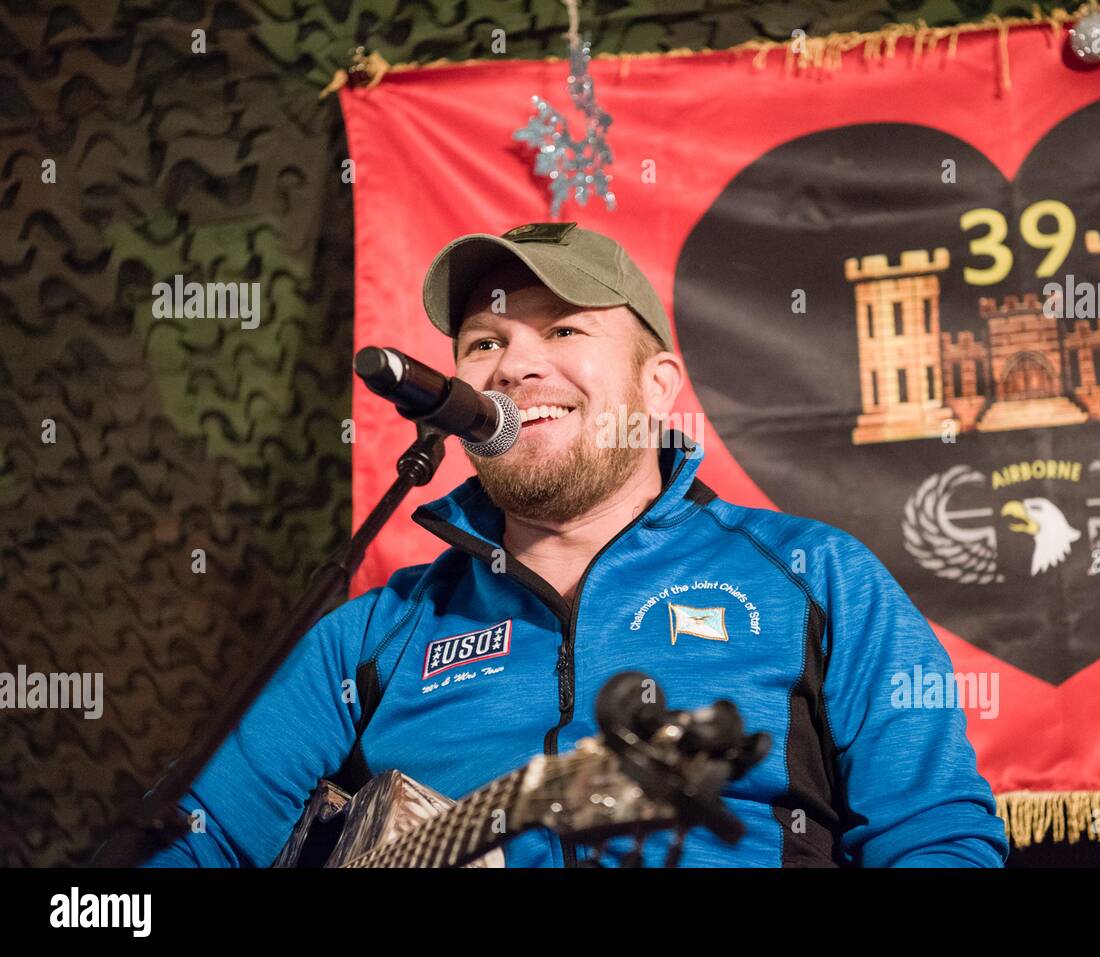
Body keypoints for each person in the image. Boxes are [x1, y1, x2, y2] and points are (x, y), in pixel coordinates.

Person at [140, 221, 1009, 867]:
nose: (514, 366)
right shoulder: (370, 635)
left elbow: (939, 839)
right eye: (485, 342)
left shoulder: (821, 578)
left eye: (563, 330)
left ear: (656, 385)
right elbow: (195, 844)